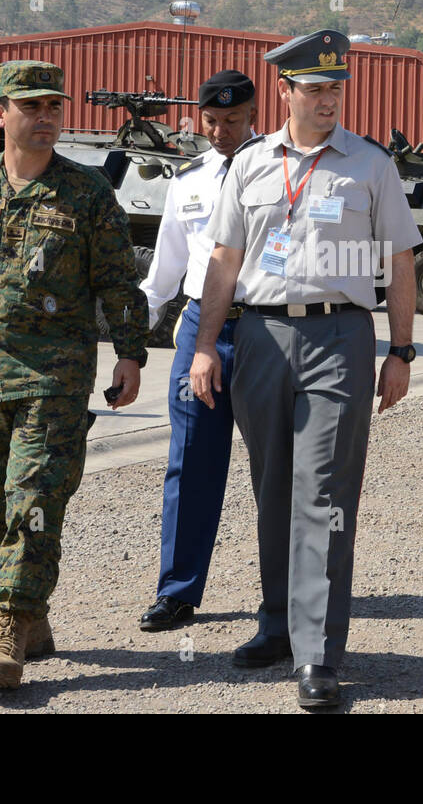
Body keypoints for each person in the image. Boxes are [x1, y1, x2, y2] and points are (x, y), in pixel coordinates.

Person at [189, 29, 421, 709]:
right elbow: (224, 262)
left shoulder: (370, 166)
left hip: (339, 336)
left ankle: (318, 651)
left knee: (323, 491)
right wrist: (206, 344)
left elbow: (401, 261)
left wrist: (400, 350)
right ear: (285, 93)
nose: (328, 100)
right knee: (274, 489)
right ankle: (277, 625)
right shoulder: (252, 164)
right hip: (259, 335)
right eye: (315, 89)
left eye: (336, 88)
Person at [0, 60, 148, 690]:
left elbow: (118, 281)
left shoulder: (87, 192)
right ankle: (34, 610)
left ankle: (8, 624)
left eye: (54, 108)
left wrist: (129, 352)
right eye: (31, 106)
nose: (45, 118)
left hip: (56, 377)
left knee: (34, 499)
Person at [136, 70, 258, 632]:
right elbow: (164, 272)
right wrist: (131, 335)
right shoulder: (187, 180)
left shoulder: (277, 170)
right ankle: (178, 592)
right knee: (190, 463)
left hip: (262, 329)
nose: (221, 131)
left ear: (254, 113)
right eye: (212, 121)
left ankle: (280, 597)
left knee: (275, 468)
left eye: (232, 120)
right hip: (195, 332)